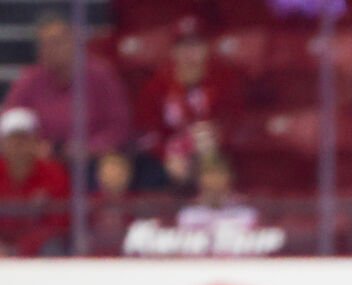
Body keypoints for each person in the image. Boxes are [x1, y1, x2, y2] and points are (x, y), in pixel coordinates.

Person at [1, 9, 130, 171]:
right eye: (44, 44)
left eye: (57, 42)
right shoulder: (30, 80)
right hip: (43, 164)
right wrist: (33, 147)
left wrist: (90, 148)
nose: (51, 49)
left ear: (75, 42)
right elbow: (9, 121)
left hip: (92, 163)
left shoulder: (101, 75)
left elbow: (119, 126)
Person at [133, 16, 244, 194]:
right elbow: (147, 132)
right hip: (171, 159)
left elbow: (234, 119)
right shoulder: (156, 87)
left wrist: (218, 134)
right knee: (148, 169)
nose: (189, 53)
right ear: (173, 51)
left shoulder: (225, 81)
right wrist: (167, 154)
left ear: (207, 49)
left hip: (213, 153)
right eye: (183, 46)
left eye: (195, 46)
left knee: (214, 157)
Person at [0, 105, 70, 256]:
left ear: (35, 142)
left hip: (38, 253)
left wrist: (23, 248)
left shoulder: (54, 173)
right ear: (3, 143)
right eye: (13, 139)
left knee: (53, 247)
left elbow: (61, 223)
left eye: (24, 139)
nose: (19, 146)